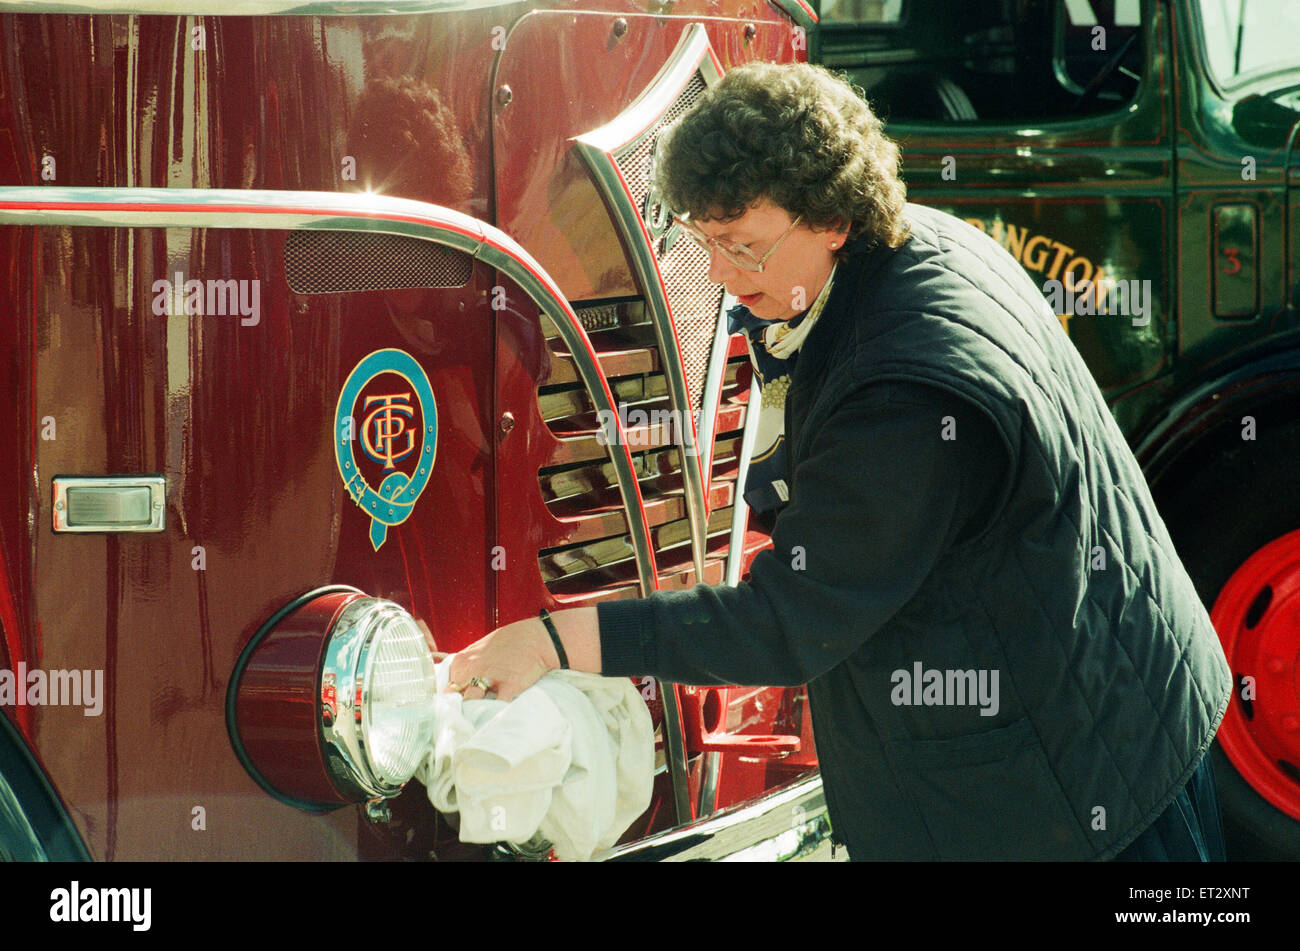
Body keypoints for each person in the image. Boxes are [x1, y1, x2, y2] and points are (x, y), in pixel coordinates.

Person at [444, 62, 1233, 860]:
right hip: (1123, 706)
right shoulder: (916, 242)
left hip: (1071, 790)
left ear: (831, 218)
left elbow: (789, 624)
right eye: (704, 240)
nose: (719, 274)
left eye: (743, 246)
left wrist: (554, 639)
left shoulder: (903, 392)